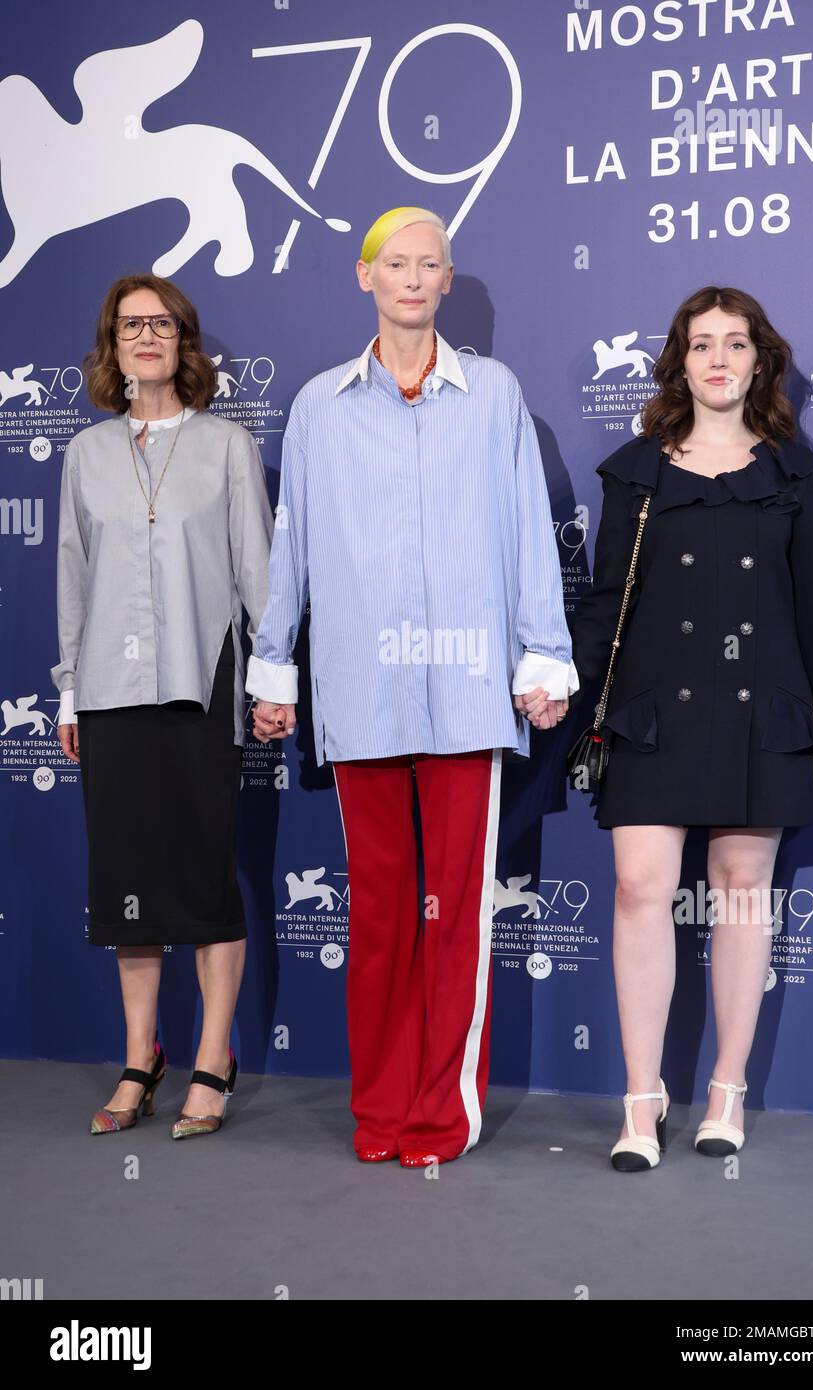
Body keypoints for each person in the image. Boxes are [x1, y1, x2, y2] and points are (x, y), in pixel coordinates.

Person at [247, 207, 578, 1166]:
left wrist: (541, 657)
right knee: (383, 913)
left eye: (430, 263)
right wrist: (275, 672)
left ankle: (443, 1114)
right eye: (396, 262)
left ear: (445, 280)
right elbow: (293, 550)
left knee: (456, 915)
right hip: (361, 695)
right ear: (366, 278)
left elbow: (526, 535)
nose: (412, 276)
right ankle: (382, 1112)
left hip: (470, 692)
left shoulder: (496, 394)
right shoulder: (318, 406)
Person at [570, 286, 813, 1171]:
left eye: (737, 343)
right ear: (680, 363)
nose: (720, 359)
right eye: (702, 345)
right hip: (653, 711)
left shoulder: (794, 479)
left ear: (760, 361)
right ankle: (641, 1096)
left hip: (760, 711)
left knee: (741, 893)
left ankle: (726, 1089)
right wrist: (573, 700)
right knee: (636, 889)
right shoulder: (635, 473)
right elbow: (605, 600)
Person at [53, 273, 273, 1139]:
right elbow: (72, 576)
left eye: (162, 324)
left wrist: (273, 681)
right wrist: (69, 689)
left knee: (206, 877)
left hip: (202, 686)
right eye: (129, 325)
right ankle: (142, 1058)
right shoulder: (84, 454)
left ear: (186, 341)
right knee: (129, 884)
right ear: (110, 346)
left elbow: (257, 570)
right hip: (109, 690)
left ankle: (214, 1057)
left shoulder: (224, 446)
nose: (146, 337)